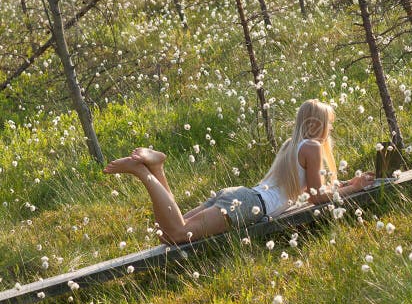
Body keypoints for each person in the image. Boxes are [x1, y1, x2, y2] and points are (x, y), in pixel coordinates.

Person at [102, 99, 375, 244]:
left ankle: (158, 167)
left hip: (243, 197)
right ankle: (143, 172)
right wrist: (355, 188)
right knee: (176, 234)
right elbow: (316, 196)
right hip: (248, 206)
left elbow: (313, 190)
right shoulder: (313, 147)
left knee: (167, 233)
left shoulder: (293, 145)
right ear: (321, 124)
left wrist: (346, 183)